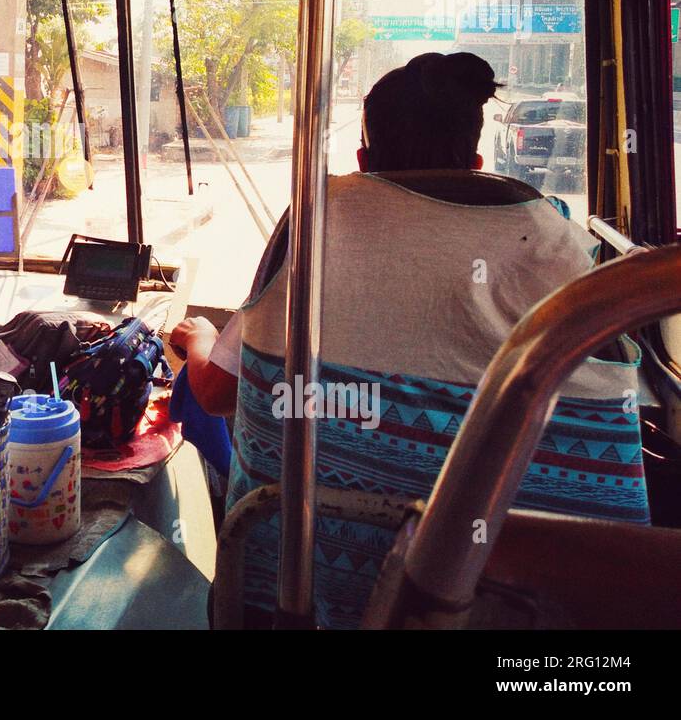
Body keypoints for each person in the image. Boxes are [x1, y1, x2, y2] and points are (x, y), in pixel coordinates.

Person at [173, 52, 649, 628]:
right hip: (543, 612)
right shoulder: (556, 242)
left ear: (364, 159)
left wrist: (200, 340)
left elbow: (217, 394)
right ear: (476, 159)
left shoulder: (317, 220)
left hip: (293, 594)